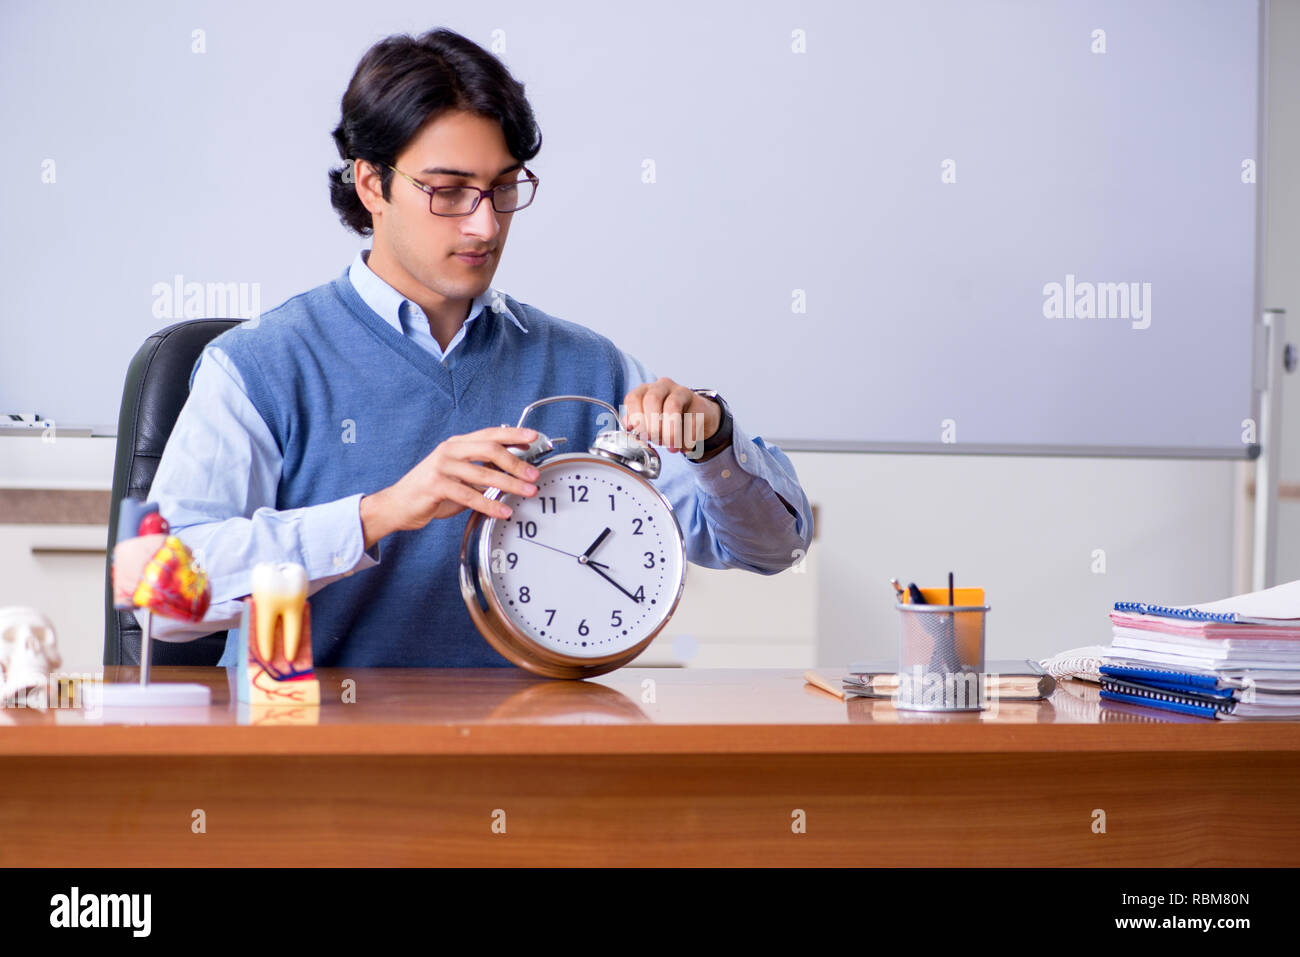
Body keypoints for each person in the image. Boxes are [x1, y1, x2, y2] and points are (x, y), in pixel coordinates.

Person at [140, 27, 814, 667]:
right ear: (371, 183)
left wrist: (715, 444)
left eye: (502, 188)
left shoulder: (588, 368)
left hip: (531, 758)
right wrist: (379, 514)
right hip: (322, 761)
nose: (486, 224)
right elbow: (162, 596)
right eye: (449, 190)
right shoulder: (261, 365)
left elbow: (771, 549)